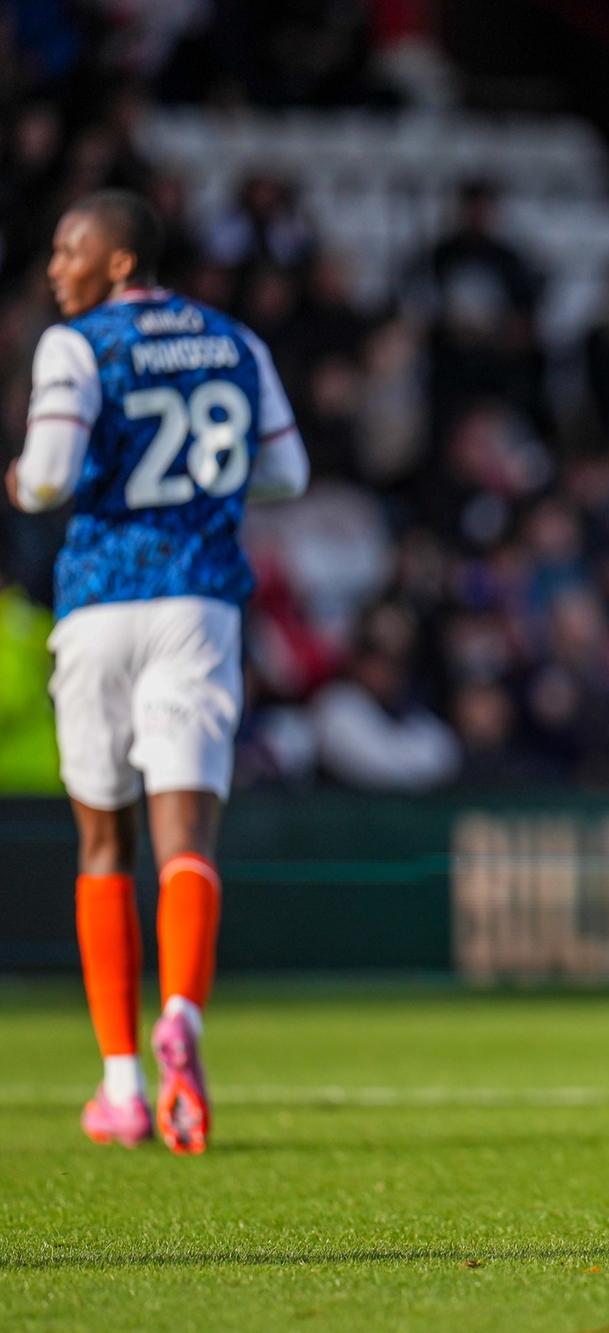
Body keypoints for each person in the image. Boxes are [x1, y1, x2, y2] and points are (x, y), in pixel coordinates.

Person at [9, 191, 310, 1153]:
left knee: (104, 844)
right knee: (187, 839)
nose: (57, 268)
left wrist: (21, 481)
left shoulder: (76, 345)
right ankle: (181, 1011)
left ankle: (121, 1086)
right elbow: (288, 474)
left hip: (100, 599)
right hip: (199, 603)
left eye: (72, 249)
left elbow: (50, 476)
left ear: (122, 261)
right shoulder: (235, 342)